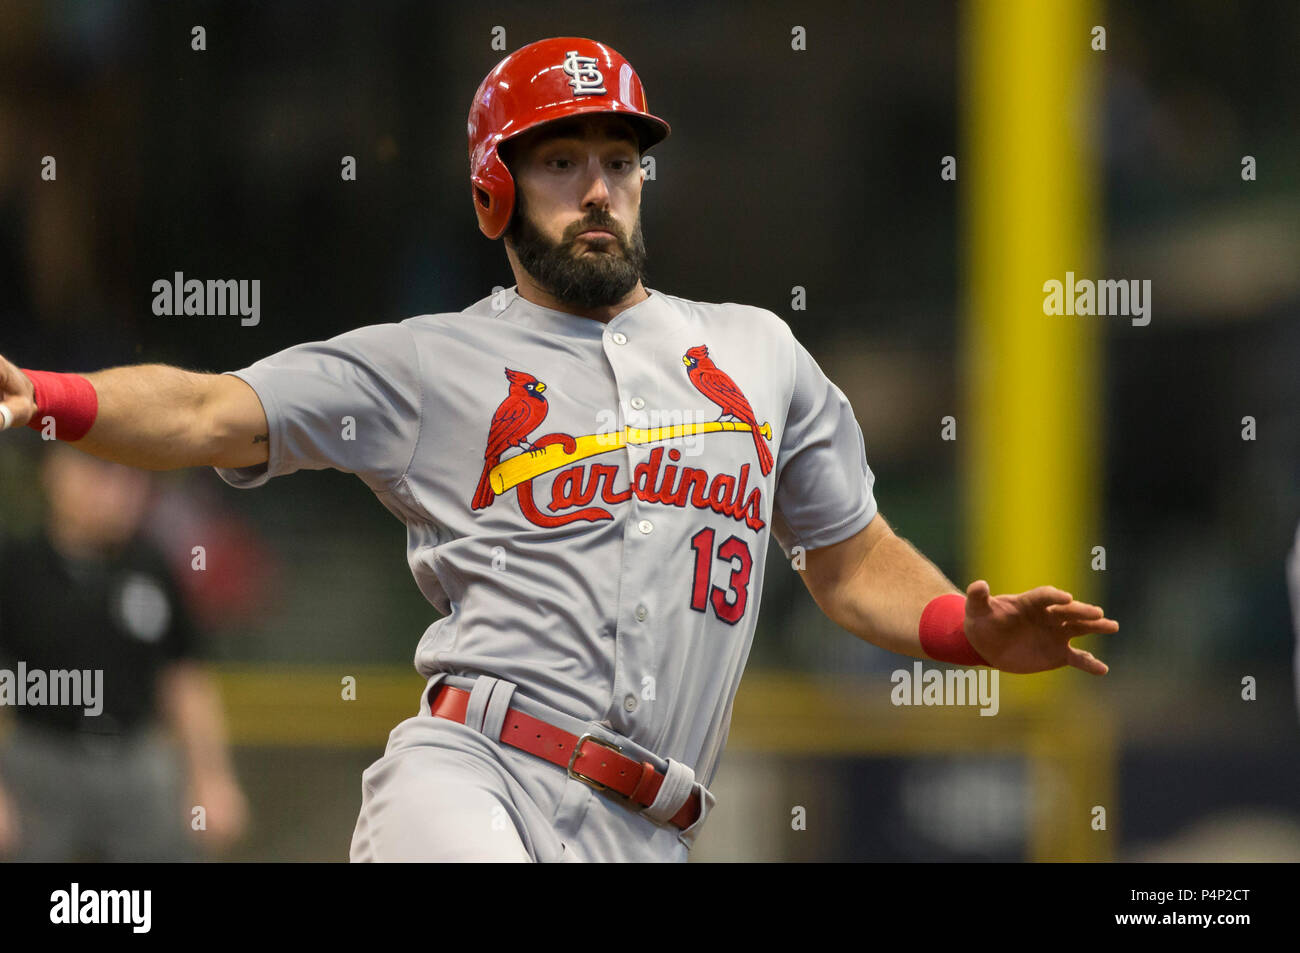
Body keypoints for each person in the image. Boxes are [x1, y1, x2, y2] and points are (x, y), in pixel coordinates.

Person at [0, 37, 1117, 862]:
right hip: (476, 776)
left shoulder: (758, 353)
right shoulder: (428, 361)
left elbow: (848, 556)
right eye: (560, 162)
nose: (597, 189)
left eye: (619, 161)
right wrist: (40, 393)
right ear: (496, 188)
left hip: (656, 824)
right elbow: (208, 413)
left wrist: (956, 630)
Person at [0, 445, 247, 861]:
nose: (119, 489)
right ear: (55, 475)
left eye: (131, 476)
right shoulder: (16, 567)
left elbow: (185, 679)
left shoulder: (153, 566)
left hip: (136, 757)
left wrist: (211, 778)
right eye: (100, 473)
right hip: (40, 760)